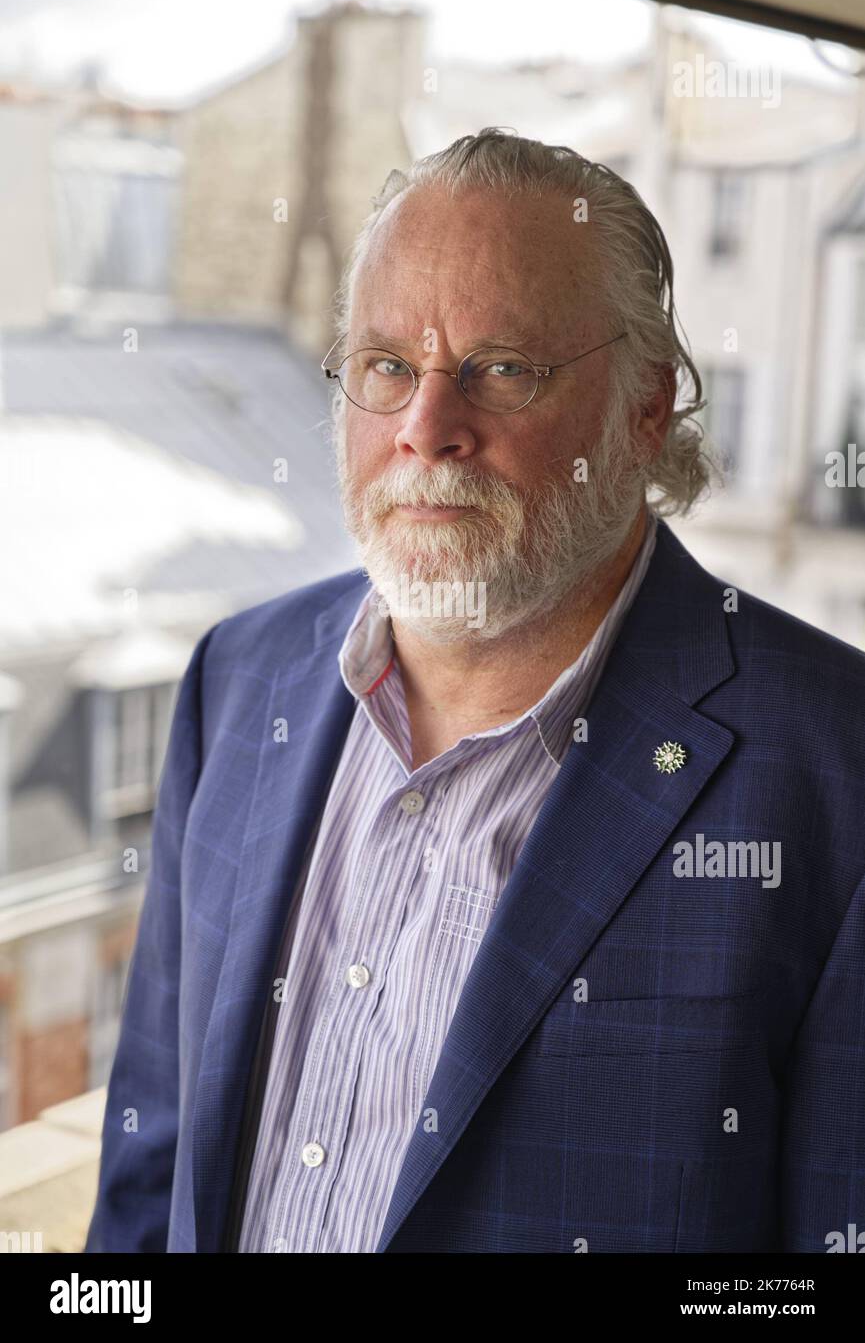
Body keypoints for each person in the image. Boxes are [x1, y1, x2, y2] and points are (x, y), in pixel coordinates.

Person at [85, 128, 865, 1254]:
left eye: (504, 369)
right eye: (388, 365)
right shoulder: (236, 680)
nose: (425, 429)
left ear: (646, 407)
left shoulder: (834, 773)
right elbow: (148, 1168)